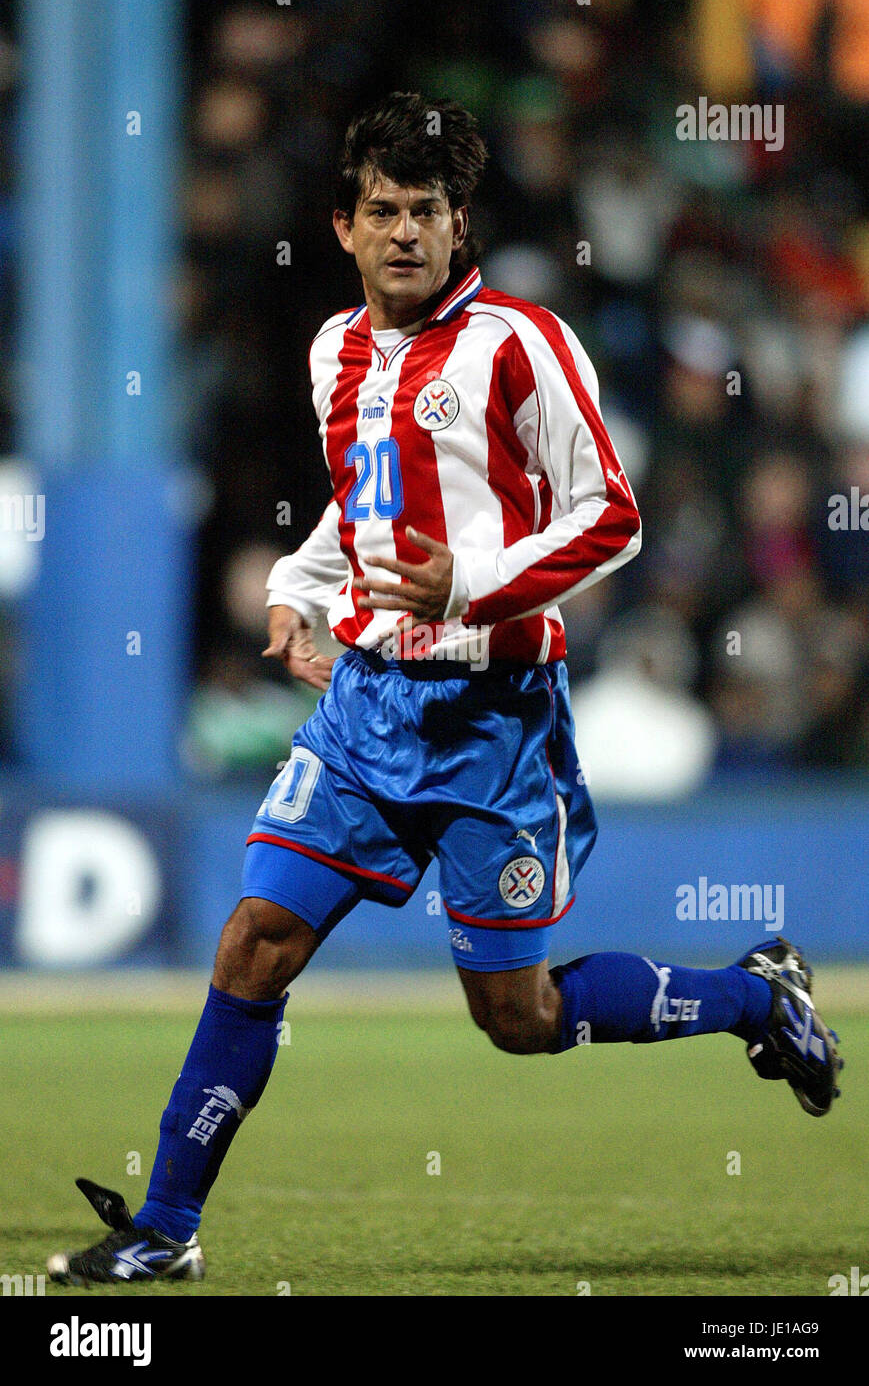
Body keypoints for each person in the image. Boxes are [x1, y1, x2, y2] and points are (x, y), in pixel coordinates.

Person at [48, 92, 842, 1287]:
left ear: (459, 225)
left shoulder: (519, 343)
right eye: (384, 211)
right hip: (366, 711)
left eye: (428, 210)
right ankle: (166, 1228)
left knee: (515, 1018)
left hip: (494, 727)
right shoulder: (334, 350)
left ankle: (750, 999)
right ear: (343, 227)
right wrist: (299, 582)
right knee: (252, 945)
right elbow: (359, 508)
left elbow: (612, 516)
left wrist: (468, 584)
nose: (406, 232)